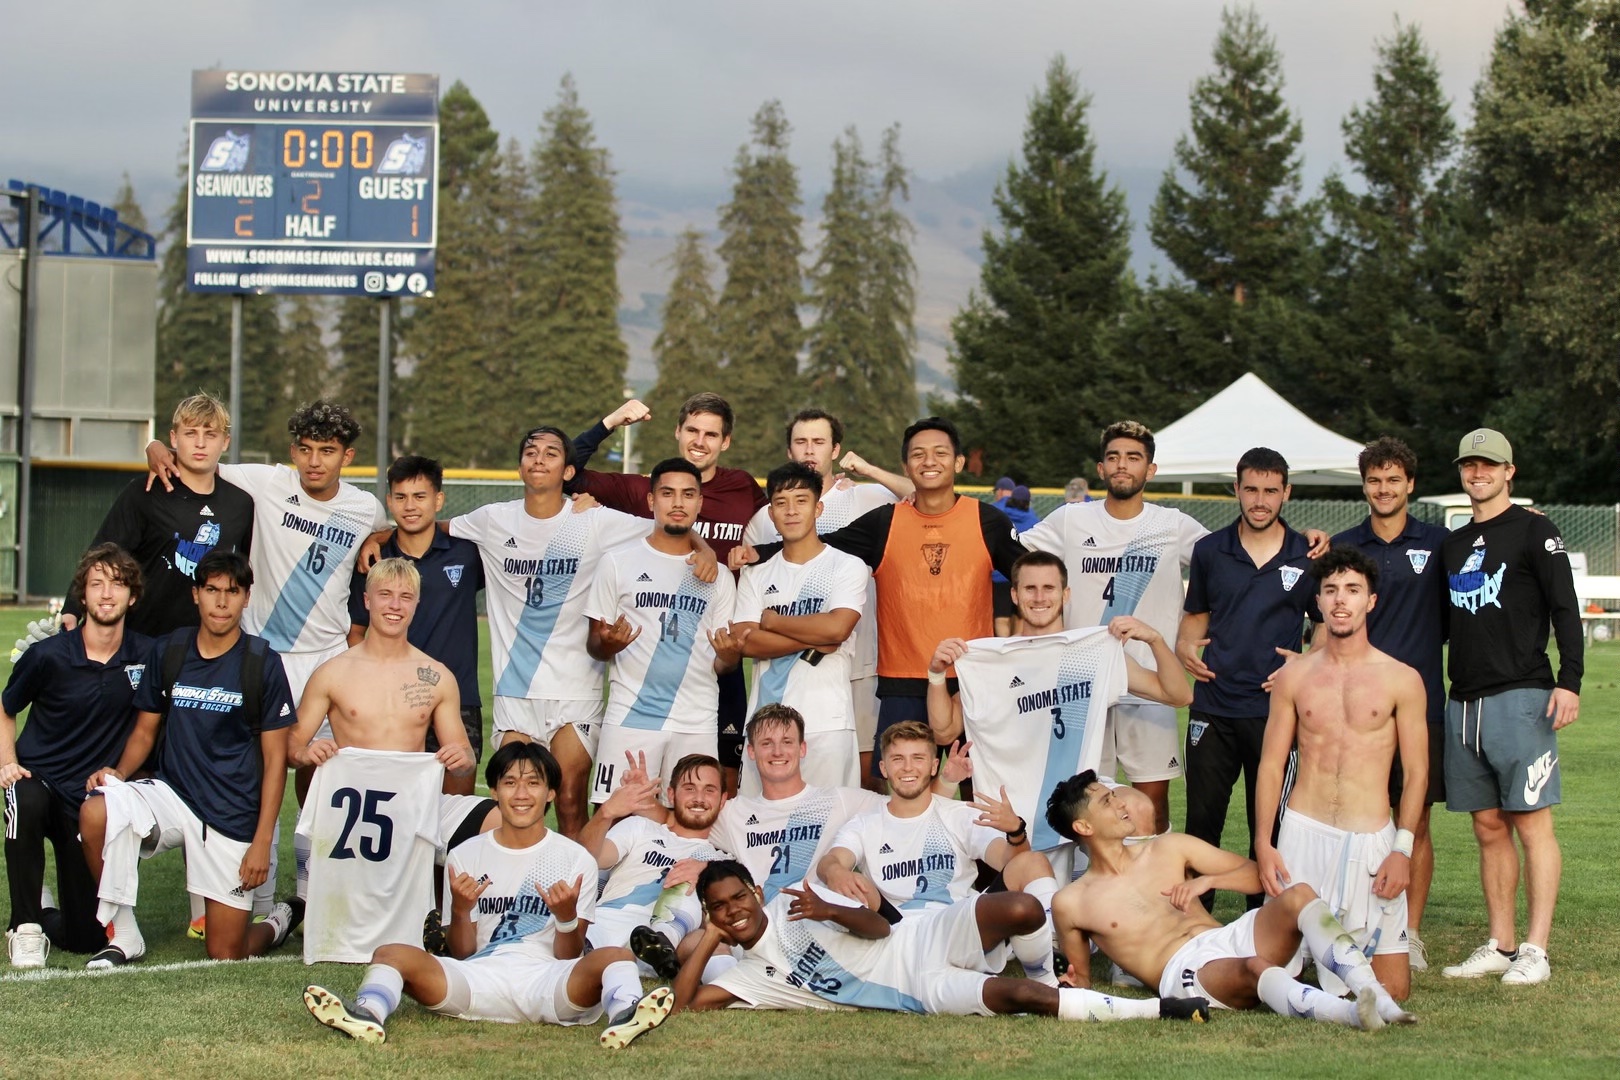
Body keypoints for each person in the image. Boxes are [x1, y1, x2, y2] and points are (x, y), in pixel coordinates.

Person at [146, 400, 387, 918]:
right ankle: (252, 898)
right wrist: (154, 447)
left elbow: (395, 526)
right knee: (254, 773)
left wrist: (378, 537)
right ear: (292, 451)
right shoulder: (265, 481)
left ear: (348, 455)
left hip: (326, 661)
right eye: (305, 450)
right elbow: (195, 458)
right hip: (260, 655)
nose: (315, 462)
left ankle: (309, 895)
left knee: (322, 779)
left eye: (327, 451)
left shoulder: (366, 507)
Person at [301, 741, 673, 1049]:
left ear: (551, 792)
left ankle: (626, 1012)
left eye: (533, 783)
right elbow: (464, 953)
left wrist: (565, 917)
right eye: (510, 783)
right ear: (493, 791)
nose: (522, 794)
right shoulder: (465, 855)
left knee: (614, 956)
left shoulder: (574, 858)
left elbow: (569, 955)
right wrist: (461, 911)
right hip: (478, 980)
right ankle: (367, 1014)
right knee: (391, 953)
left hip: (550, 981)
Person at [733, 418, 1026, 781]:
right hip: (901, 680)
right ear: (906, 465)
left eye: (940, 453)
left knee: (976, 789)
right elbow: (825, 544)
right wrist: (757, 552)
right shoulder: (885, 522)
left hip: (968, 679)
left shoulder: (986, 520)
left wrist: (1015, 648)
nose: (929, 461)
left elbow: (1029, 580)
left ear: (959, 462)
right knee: (907, 787)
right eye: (918, 454)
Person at [423, 426, 681, 839]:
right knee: (515, 804)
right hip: (515, 693)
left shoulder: (593, 520)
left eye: (550, 453)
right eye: (531, 451)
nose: (539, 459)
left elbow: (669, 529)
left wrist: (703, 552)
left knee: (569, 801)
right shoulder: (492, 519)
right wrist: (379, 535)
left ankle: (575, 897)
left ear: (568, 471)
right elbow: (432, 527)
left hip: (575, 690)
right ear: (521, 465)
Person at [1047, 771, 1415, 1030]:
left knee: (1298, 894)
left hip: (1230, 936)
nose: (1122, 804)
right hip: (1185, 970)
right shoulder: (1072, 902)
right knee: (1254, 966)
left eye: (1115, 796)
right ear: (1084, 827)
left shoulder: (1170, 848)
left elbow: (1262, 875)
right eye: (1107, 802)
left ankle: (1378, 996)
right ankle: (1352, 1015)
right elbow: (1080, 983)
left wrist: (1208, 881)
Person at [77, 551, 300, 967]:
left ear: (246, 598)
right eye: (212, 590)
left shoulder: (262, 663)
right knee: (97, 811)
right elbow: (145, 730)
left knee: (225, 952)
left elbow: (275, 763)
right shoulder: (171, 651)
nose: (221, 602)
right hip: (173, 795)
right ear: (195, 594)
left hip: (231, 811)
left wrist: (262, 842)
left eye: (232, 592)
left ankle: (279, 920)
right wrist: (119, 774)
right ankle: (125, 935)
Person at [671, 859, 1211, 1023]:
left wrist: (830, 908)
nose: (732, 911)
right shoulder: (749, 977)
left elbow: (883, 926)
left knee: (1023, 908)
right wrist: (711, 937)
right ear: (709, 914)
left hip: (920, 936)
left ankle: (1045, 969)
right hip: (918, 988)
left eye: (737, 898)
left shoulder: (797, 904)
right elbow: (686, 999)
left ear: (753, 890)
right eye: (719, 907)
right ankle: (1159, 1011)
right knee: (1021, 1000)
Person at [927, 551, 1194, 879]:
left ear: (1065, 594)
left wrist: (1154, 639)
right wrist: (937, 675)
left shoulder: (1091, 652)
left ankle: (1134, 913)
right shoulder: (992, 658)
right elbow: (943, 732)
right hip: (1011, 803)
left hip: (1076, 797)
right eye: (1030, 589)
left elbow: (1179, 695)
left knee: (1138, 808)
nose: (1040, 597)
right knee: (1032, 907)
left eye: (1049, 588)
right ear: (1014, 594)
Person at [289, 558, 489, 963]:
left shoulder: (434, 675)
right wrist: (307, 753)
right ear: (366, 601)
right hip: (355, 812)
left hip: (414, 806)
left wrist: (460, 756)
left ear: (417, 606)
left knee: (503, 820)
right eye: (385, 595)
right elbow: (293, 743)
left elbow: (464, 759)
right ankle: (313, 888)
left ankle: (469, 921)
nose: (394, 605)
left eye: (405, 597)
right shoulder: (333, 672)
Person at [1439, 428, 1582, 986]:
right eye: (1470, 465)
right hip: (1464, 700)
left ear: (1509, 471)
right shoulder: (1454, 542)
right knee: (1487, 826)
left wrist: (1569, 682)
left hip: (1522, 695)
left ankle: (1536, 949)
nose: (1479, 474)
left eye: (1489, 465)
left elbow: (1565, 609)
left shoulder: (1535, 530)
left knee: (1531, 822)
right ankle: (1499, 943)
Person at [1017, 421, 1208, 834]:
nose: (1123, 465)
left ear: (1150, 470)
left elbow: (1228, 565)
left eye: (1134, 458)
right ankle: (1091, 886)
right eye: (1114, 457)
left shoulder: (1173, 525)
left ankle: (1153, 890)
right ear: (1101, 469)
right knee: (1084, 798)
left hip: (1150, 681)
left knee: (1152, 801)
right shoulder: (1070, 519)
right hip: (1084, 683)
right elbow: (1013, 554)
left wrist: (1299, 539)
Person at [1254, 546, 1427, 1000]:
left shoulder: (1402, 678)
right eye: (1330, 590)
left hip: (1370, 840)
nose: (1340, 600)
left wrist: (1402, 850)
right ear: (1318, 601)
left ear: (1371, 601)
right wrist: (1263, 843)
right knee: (1267, 979)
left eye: (1352, 590)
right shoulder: (1294, 677)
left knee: (1393, 992)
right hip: (1302, 834)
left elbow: (1417, 772)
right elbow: (1272, 764)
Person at [572, 394, 766, 793]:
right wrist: (611, 420)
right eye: (692, 430)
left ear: (725, 441)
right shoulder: (645, 488)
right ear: (677, 432)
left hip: (713, 650)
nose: (700, 440)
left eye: (711, 434)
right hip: (644, 671)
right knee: (626, 799)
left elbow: (787, 523)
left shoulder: (742, 487)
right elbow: (569, 471)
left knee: (713, 791)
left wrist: (757, 550)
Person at [1175, 447, 1318, 910]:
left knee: (1276, 826)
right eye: (1251, 489)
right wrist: (1182, 646)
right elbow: (1195, 618)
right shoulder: (1210, 550)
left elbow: (1330, 628)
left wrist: (1305, 662)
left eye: (1270, 491)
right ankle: (1196, 924)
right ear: (1236, 489)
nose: (1260, 500)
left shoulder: (1308, 553)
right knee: (1202, 822)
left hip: (1274, 714)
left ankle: (1266, 926)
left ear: (1286, 494)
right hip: (1213, 708)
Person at [1328, 437, 1452, 970]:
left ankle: (1411, 932)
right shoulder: (1343, 545)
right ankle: (1346, 923)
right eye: (1375, 480)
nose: (1384, 489)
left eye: (1393, 480)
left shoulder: (1442, 544)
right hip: (1353, 707)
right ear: (1365, 486)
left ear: (1410, 485)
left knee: (1414, 819)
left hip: (1418, 704)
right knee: (1349, 815)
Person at [815, 720, 1062, 985]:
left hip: (962, 925)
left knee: (1033, 861)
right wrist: (836, 872)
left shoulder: (959, 815)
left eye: (918, 758)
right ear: (884, 768)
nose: (908, 767)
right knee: (853, 884)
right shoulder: (865, 823)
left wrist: (1015, 832)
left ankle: (1048, 973)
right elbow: (831, 860)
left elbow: (1014, 864)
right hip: (900, 933)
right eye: (898, 759)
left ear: (934, 766)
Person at [746, 408, 911, 790]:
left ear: (835, 449)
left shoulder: (866, 496)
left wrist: (869, 470)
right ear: (789, 450)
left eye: (818, 442)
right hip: (786, 668)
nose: (809, 450)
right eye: (801, 442)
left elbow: (925, 494)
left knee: (867, 776)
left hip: (861, 654)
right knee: (785, 772)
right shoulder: (764, 517)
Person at [2, 545, 152, 966]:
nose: (107, 594)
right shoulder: (48, 654)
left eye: (118, 584)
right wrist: (7, 762)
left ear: (132, 596)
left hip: (87, 805)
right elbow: (5, 705)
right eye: (96, 584)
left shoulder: (147, 655)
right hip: (41, 783)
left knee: (84, 937)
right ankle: (26, 926)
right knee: (24, 795)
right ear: (82, 596)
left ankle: (45, 907)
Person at [586, 458, 740, 805]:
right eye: (668, 493)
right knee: (614, 814)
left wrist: (730, 657)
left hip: (696, 720)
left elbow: (723, 663)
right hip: (630, 714)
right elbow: (594, 644)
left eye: (688, 494)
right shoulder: (617, 562)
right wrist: (607, 645)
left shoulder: (719, 578)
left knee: (689, 820)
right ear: (652, 501)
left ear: (700, 503)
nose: (678, 503)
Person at [348, 456, 486, 797]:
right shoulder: (374, 560)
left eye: (420, 496)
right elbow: (355, 633)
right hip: (391, 700)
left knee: (454, 816)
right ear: (389, 501)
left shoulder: (469, 553)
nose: (410, 507)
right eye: (400, 497)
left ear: (438, 500)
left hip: (458, 700)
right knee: (393, 808)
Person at [63, 393, 253, 637]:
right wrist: (72, 609)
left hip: (207, 649)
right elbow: (102, 554)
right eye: (190, 433)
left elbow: (243, 571)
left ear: (225, 442)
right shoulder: (146, 493)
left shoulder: (241, 504)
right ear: (174, 438)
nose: (200, 443)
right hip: (144, 640)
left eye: (211, 434)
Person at [733, 461, 869, 792]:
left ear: (818, 508)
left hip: (827, 722)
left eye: (801, 501)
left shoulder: (846, 566)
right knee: (762, 831)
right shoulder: (756, 573)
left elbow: (837, 629)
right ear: (771, 512)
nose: (791, 511)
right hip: (766, 725)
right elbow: (746, 642)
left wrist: (773, 621)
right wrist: (815, 637)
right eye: (781, 502)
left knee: (827, 830)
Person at [708, 704, 886, 903]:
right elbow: (682, 827)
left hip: (816, 922)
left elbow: (908, 808)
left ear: (802, 749)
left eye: (787, 742)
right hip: (761, 924)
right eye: (766, 743)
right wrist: (699, 862)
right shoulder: (734, 813)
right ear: (751, 751)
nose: (777, 752)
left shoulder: (839, 801)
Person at [576, 752, 727, 978]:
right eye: (689, 788)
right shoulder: (640, 827)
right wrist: (606, 812)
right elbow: (588, 859)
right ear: (671, 794)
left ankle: (661, 943)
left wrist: (706, 871)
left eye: (709, 790)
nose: (699, 798)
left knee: (700, 877)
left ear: (723, 799)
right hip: (607, 921)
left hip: (667, 935)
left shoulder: (722, 860)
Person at [992, 485, 1040, 636]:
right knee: (1020, 617)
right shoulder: (1033, 519)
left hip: (999, 574)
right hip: (1022, 575)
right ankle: (1015, 646)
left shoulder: (999, 514)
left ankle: (1003, 647)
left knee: (1001, 617)